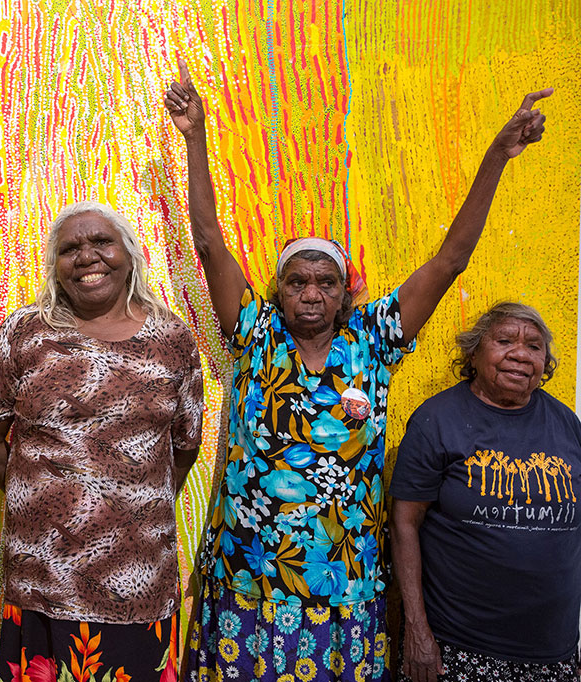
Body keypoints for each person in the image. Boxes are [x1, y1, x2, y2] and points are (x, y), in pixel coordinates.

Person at [164, 57, 551, 681]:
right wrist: (196, 138)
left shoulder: (373, 338)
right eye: (297, 281)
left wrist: (496, 159)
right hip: (248, 575)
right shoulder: (256, 333)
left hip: (343, 583)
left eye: (326, 281)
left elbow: (450, 260)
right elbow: (209, 239)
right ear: (278, 289)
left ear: (347, 293)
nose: (311, 293)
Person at [0, 201, 205, 681]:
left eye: (101, 242)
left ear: (129, 254)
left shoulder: (172, 339)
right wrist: (39, 500)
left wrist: (128, 507)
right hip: (43, 578)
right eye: (70, 248)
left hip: (138, 581)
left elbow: (184, 447)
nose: (87, 256)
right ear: (55, 266)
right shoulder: (24, 334)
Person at [390, 303, 581, 682]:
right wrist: (416, 631)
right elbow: (403, 525)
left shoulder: (566, 424)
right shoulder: (436, 421)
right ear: (474, 353)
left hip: (552, 652)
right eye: (505, 340)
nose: (520, 354)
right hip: (458, 648)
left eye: (534, 346)